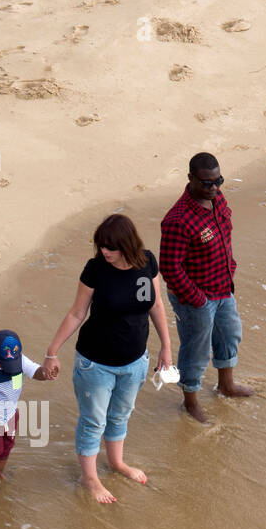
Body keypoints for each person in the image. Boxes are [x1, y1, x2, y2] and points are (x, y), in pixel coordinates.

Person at [44, 214, 173, 504]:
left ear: (126, 245)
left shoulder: (148, 261)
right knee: (93, 422)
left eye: (110, 247)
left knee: (120, 416)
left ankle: (117, 463)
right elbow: (77, 313)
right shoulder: (95, 269)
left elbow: (156, 305)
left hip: (135, 362)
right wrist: (52, 352)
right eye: (101, 246)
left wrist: (166, 346)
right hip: (95, 364)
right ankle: (89, 479)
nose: (104, 252)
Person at [160, 151, 254, 423]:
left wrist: (231, 267)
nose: (214, 188)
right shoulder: (178, 220)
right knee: (196, 349)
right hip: (196, 297)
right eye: (207, 183)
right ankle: (190, 401)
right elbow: (170, 268)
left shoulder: (217, 198)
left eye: (218, 181)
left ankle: (226, 385)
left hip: (223, 287)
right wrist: (197, 299)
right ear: (190, 179)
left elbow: (226, 230)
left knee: (230, 334)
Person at [0, 329, 52, 481]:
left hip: (11, 414)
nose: (11, 366)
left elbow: (35, 371)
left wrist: (45, 373)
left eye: (14, 361)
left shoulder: (20, 361)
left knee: (7, 446)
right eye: (6, 362)